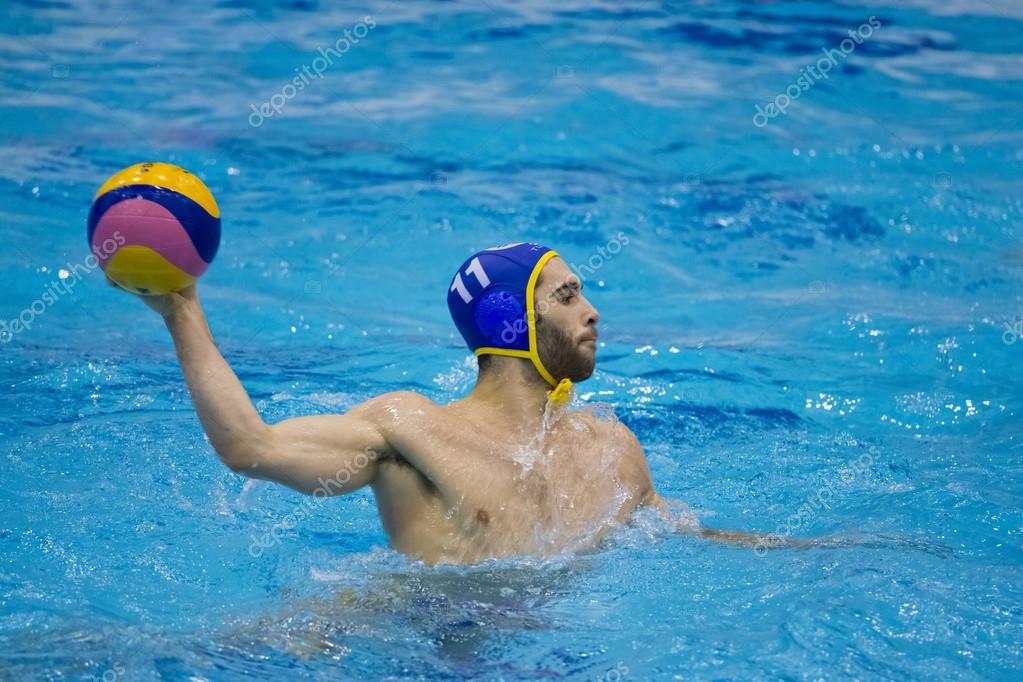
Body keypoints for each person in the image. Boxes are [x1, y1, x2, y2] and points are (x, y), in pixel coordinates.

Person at [110, 242, 783, 564]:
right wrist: (181, 309)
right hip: (418, 648)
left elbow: (678, 534)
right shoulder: (408, 431)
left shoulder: (610, 447)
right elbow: (249, 447)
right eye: (568, 295)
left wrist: (816, 548)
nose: (593, 311)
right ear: (510, 320)